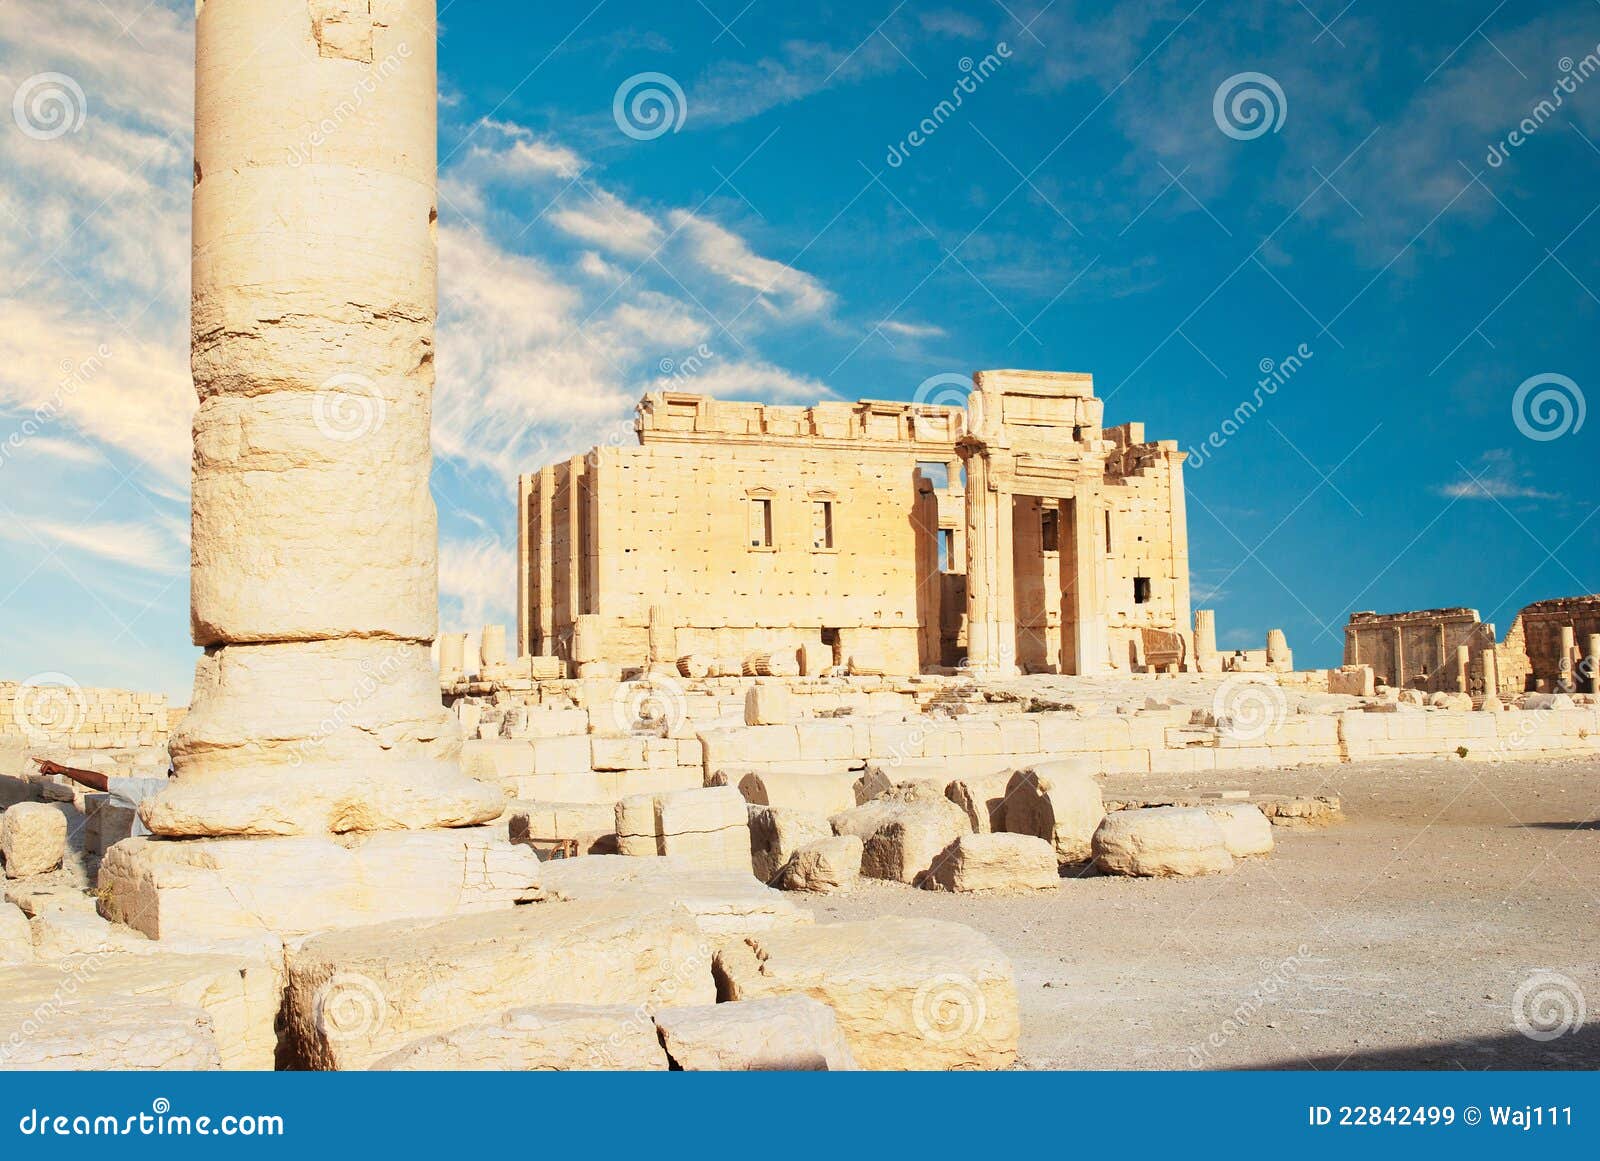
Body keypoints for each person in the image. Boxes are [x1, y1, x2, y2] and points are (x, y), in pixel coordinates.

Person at [31, 758, 170, 838]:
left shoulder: (152, 788)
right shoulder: (153, 787)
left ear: (169, 772)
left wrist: (64, 770)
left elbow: (102, 783)